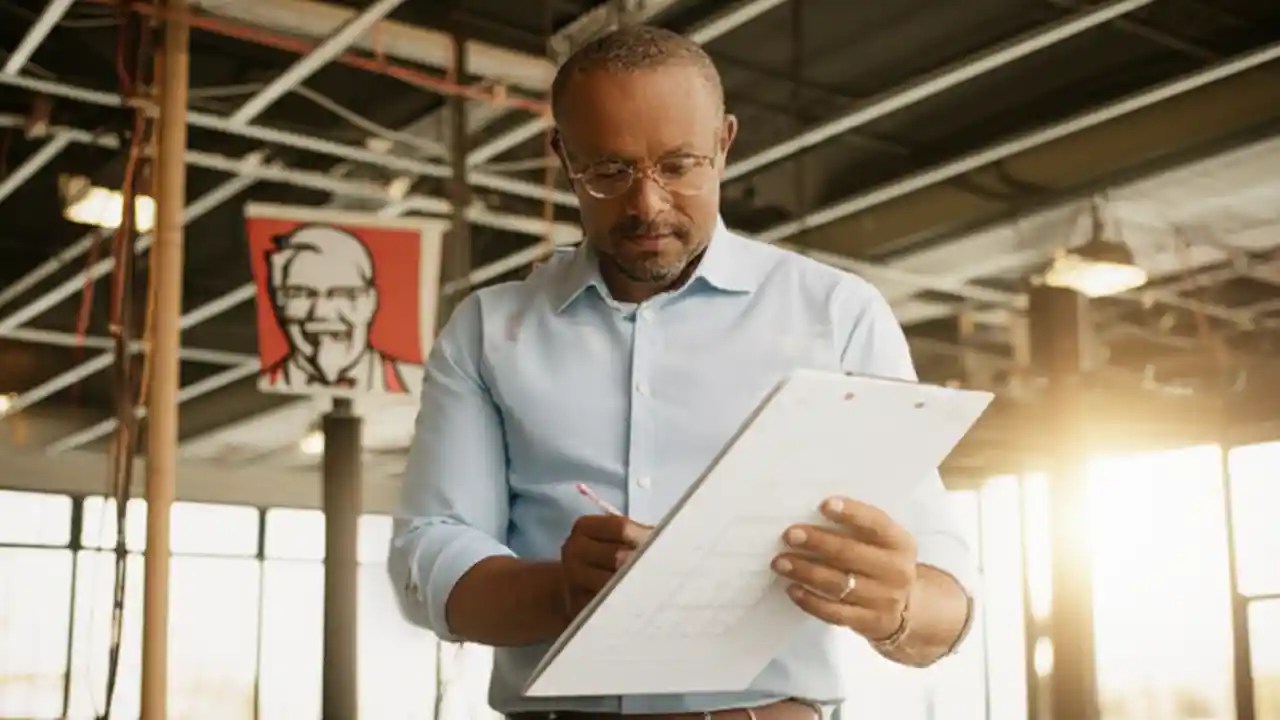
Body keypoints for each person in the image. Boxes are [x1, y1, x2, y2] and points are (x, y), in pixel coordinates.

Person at [389, 25, 976, 720]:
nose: (647, 204)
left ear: (725, 143)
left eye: (679, 165)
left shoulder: (837, 315)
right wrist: (562, 593)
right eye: (608, 172)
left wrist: (896, 605)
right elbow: (429, 555)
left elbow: (943, 585)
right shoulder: (489, 331)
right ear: (561, 156)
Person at [262, 224, 412, 394]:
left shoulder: (422, 386)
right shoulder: (255, 392)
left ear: (371, 301)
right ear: (279, 302)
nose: (321, 313)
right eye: (302, 294)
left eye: (343, 293)